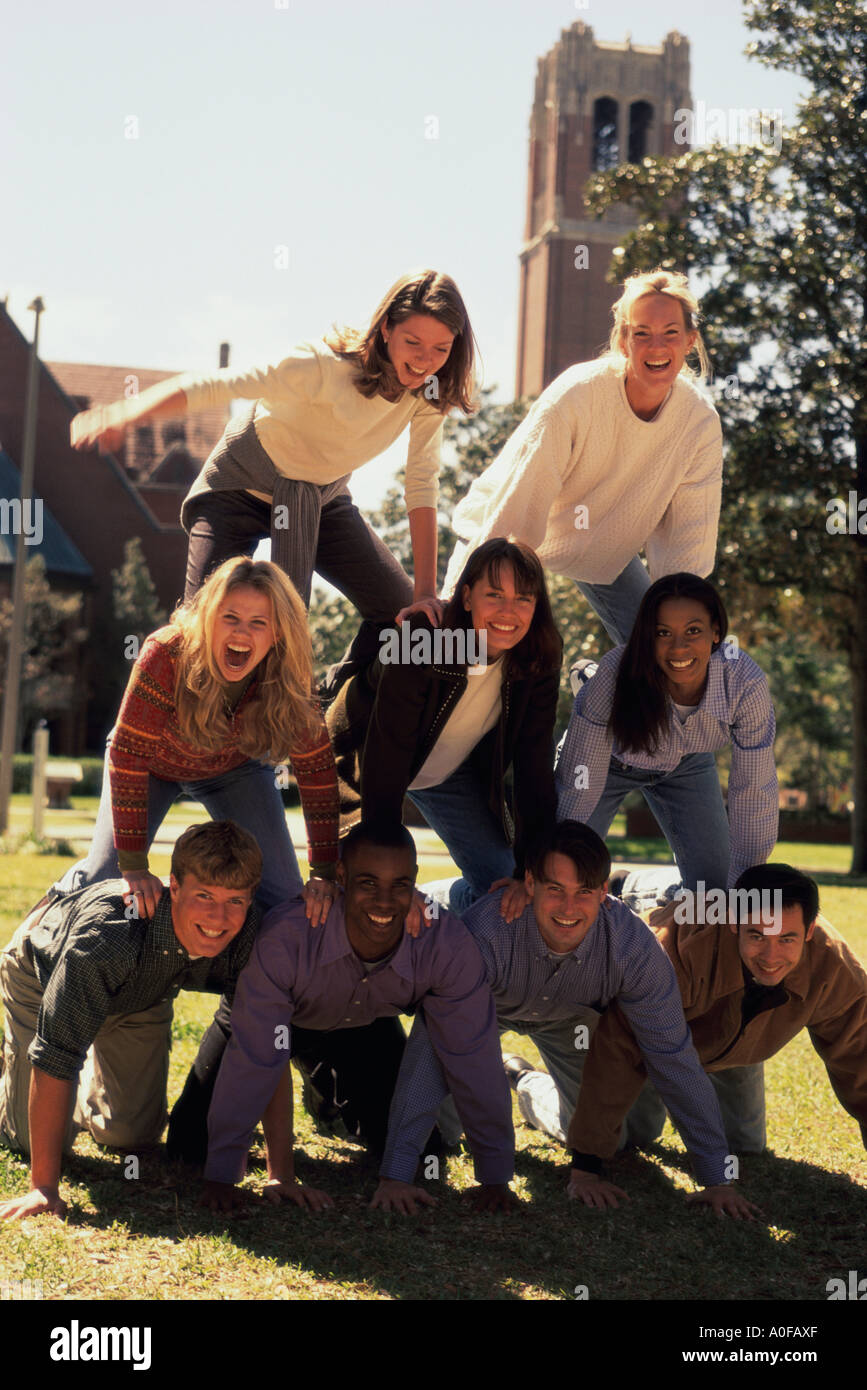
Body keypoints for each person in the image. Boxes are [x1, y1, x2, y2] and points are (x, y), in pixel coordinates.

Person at [70, 270, 477, 638]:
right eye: (413, 343)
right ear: (386, 328)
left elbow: (422, 483)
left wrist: (425, 593)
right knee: (203, 628)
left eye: (441, 349)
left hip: (320, 498)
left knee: (407, 620)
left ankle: (330, 708)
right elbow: (216, 385)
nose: (426, 362)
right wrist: (124, 414)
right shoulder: (321, 366)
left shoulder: (429, 392)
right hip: (239, 488)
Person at [400, 822, 759, 1219]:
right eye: (555, 890)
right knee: (441, 1137)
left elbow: (673, 1057)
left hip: (567, 1020)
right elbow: (431, 1047)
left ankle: (523, 1079)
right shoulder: (484, 933)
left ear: (604, 892)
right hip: (483, 1011)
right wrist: (401, 1175)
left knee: (615, 1138)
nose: (569, 909)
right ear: (531, 884)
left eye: (584, 892)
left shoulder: (633, 948)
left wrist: (716, 1179)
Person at [201, 821, 516, 1216]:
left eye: (399, 885)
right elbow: (259, 1055)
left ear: (416, 883)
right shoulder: (288, 936)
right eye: (368, 883)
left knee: (426, 1153)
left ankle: (325, 1104)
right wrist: (228, 1174)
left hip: (365, 1023)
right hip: (281, 1022)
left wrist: (495, 1178)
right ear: (342, 877)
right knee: (192, 1145)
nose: (384, 902)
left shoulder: (444, 943)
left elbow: (473, 1056)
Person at [436, 269, 723, 646]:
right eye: (641, 334)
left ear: (690, 341)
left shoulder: (699, 422)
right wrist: (460, 598)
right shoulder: (579, 394)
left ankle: (595, 688)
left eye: (671, 333)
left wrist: (683, 625)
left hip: (606, 543)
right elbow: (519, 503)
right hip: (507, 528)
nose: (657, 347)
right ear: (623, 341)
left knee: (663, 646)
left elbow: (687, 545)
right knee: (462, 640)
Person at [0, 822, 263, 1222]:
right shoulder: (110, 933)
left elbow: (263, 1039)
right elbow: (56, 1054)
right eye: (204, 895)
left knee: (131, 1137)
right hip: (42, 974)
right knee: (24, 1138)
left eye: (235, 901)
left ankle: (84, 1072)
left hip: (141, 997)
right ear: (173, 887)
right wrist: (44, 1188)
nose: (218, 916)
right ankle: (14, 1067)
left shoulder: (248, 933)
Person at [53, 556, 340, 920]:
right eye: (230, 618)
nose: (241, 633)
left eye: (258, 623)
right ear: (208, 617)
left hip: (235, 770)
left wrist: (324, 873)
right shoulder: (166, 653)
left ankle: (238, 974)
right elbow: (128, 755)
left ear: (278, 633)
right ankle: (56, 906)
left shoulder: (290, 674)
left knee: (283, 899)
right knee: (107, 880)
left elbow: (316, 769)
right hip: (151, 764)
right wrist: (134, 866)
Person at [569, 863, 867, 1165]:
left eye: (786, 939)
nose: (771, 957)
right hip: (654, 1025)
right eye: (757, 936)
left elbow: (861, 1059)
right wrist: (587, 1160)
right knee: (633, 1135)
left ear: (809, 931)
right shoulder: (674, 953)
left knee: (744, 1146)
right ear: (735, 922)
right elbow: (618, 1043)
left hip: (731, 1042)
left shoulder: (834, 967)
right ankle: (529, 1081)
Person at [327, 538, 562, 915]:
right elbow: (388, 752)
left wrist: (528, 871)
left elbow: (534, 767)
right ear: (466, 597)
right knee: (362, 896)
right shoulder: (423, 637)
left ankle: (439, 902)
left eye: (524, 598)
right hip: (361, 762)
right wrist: (393, 873)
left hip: (447, 773)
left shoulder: (539, 660)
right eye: (495, 595)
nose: (508, 611)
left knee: (507, 894)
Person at [556, 571, 778, 897]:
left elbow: (754, 790)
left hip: (686, 762)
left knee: (714, 893)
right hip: (611, 757)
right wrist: (562, 853)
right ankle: (590, 683)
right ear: (648, 636)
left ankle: (629, 887)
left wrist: (745, 889)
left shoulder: (744, 683)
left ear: (716, 632)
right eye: (663, 632)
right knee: (570, 873)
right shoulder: (616, 675)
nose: (679, 648)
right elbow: (581, 779)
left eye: (693, 631)